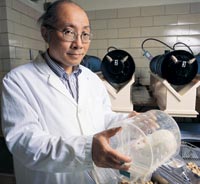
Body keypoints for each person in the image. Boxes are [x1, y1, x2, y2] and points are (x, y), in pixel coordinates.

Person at [1, 0, 137, 183]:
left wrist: (130, 122)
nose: (79, 43)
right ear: (45, 33)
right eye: (69, 32)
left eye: (85, 34)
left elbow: (102, 118)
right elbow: (26, 144)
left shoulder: (91, 78)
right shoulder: (18, 81)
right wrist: (88, 150)